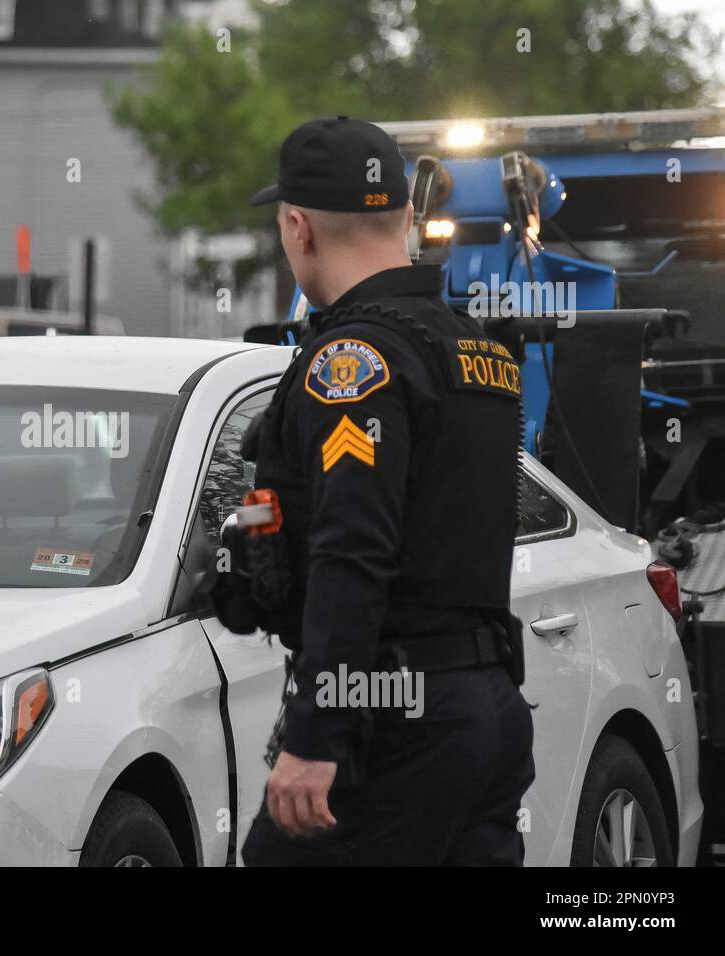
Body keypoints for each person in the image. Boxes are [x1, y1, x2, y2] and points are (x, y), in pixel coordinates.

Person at [233, 117, 534, 865]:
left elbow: (352, 551)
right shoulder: (474, 347)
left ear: (299, 228)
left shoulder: (352, 360)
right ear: (404, 217)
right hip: (486, 705)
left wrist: (316, 734)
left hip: (394, 722)